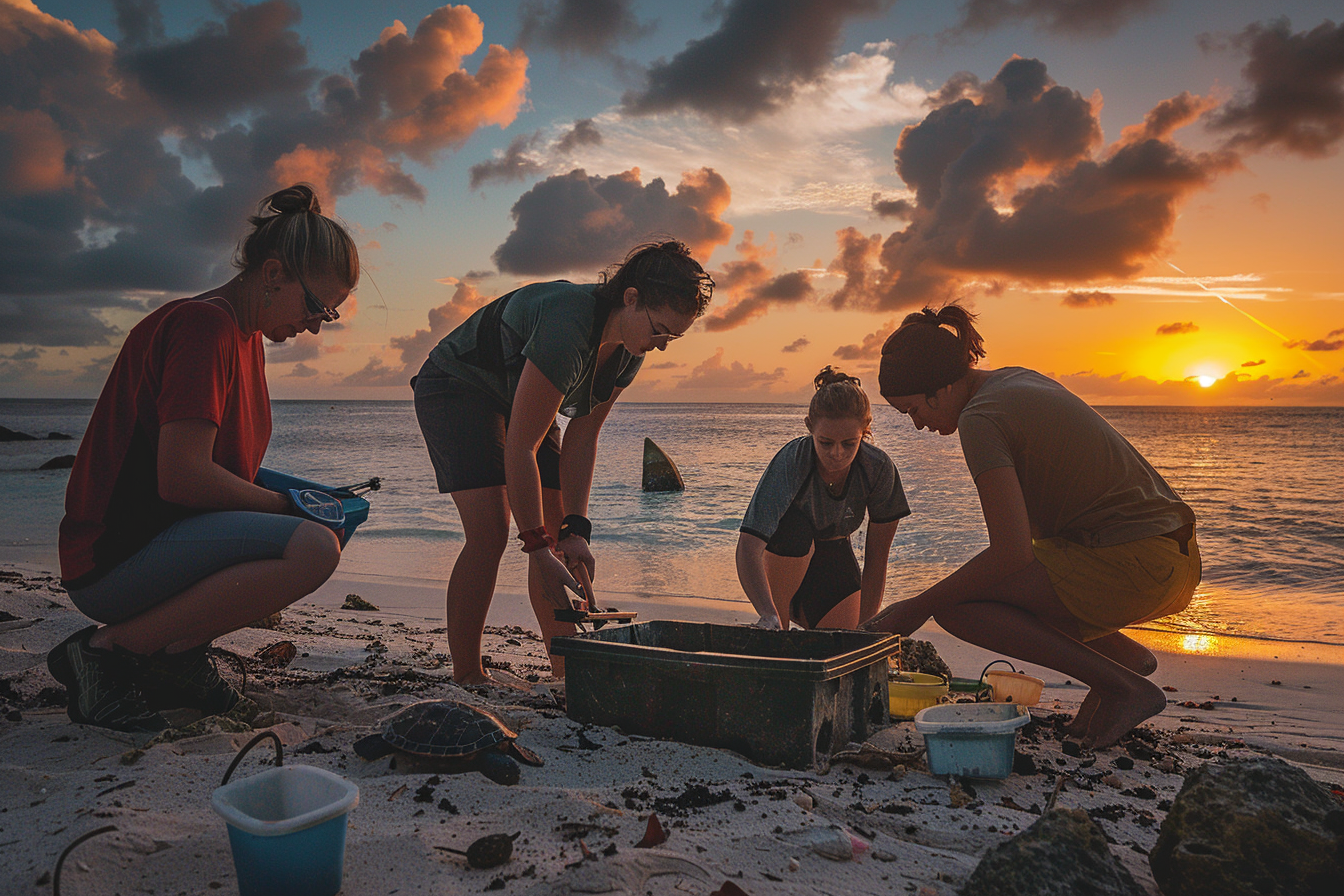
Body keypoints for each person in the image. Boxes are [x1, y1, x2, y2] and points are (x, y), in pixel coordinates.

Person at [50, 184, 357, 733]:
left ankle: (175, 655)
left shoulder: (243, 336)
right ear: (272, 273)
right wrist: (286, 507)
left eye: (328, 314)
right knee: (312, 547)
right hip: (112, 560)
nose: (315, 323)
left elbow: (219, 471)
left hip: (156, 544)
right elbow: (183, 478)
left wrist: (301, 497)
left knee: (316, 528)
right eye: (316, 305)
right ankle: (105, 652)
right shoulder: (204, 326)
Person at [865, 304, 1200, 749]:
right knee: (1001, 583)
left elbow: (1011, 552)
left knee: (957, 605)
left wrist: (917, 606)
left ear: (939, 388)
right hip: (1173, 561)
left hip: (1135, 565)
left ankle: (1124, 688)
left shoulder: (980, 417)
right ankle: (1124, 663)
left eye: (912, 410)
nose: (918, 425)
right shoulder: (1013, 380)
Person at [413, 240, 714, 684]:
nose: (662, 345)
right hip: (458, 384)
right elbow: (521, 447)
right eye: (660, 330)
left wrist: (576, 530)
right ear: (631, 298)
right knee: (491, 531)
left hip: (516, 395)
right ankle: (467, 674)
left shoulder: (631, 351)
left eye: (673, 337)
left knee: (558, 539)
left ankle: (565, 672)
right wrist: (535, 547)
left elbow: (583, 437)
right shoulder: (568, 324)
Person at [738, 367, 909, 630]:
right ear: (809, 427)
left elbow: (877, 559)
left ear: (864, 431)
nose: (837, 454)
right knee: (795, 530)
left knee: (845, 640)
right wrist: (767, 613)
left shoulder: (878, 468)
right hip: (786, 557)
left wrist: (866, 629)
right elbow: (748, 547)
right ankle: (779, 625)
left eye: (849, 443)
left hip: (833, 559)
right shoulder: (791, 461)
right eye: (826, 443)